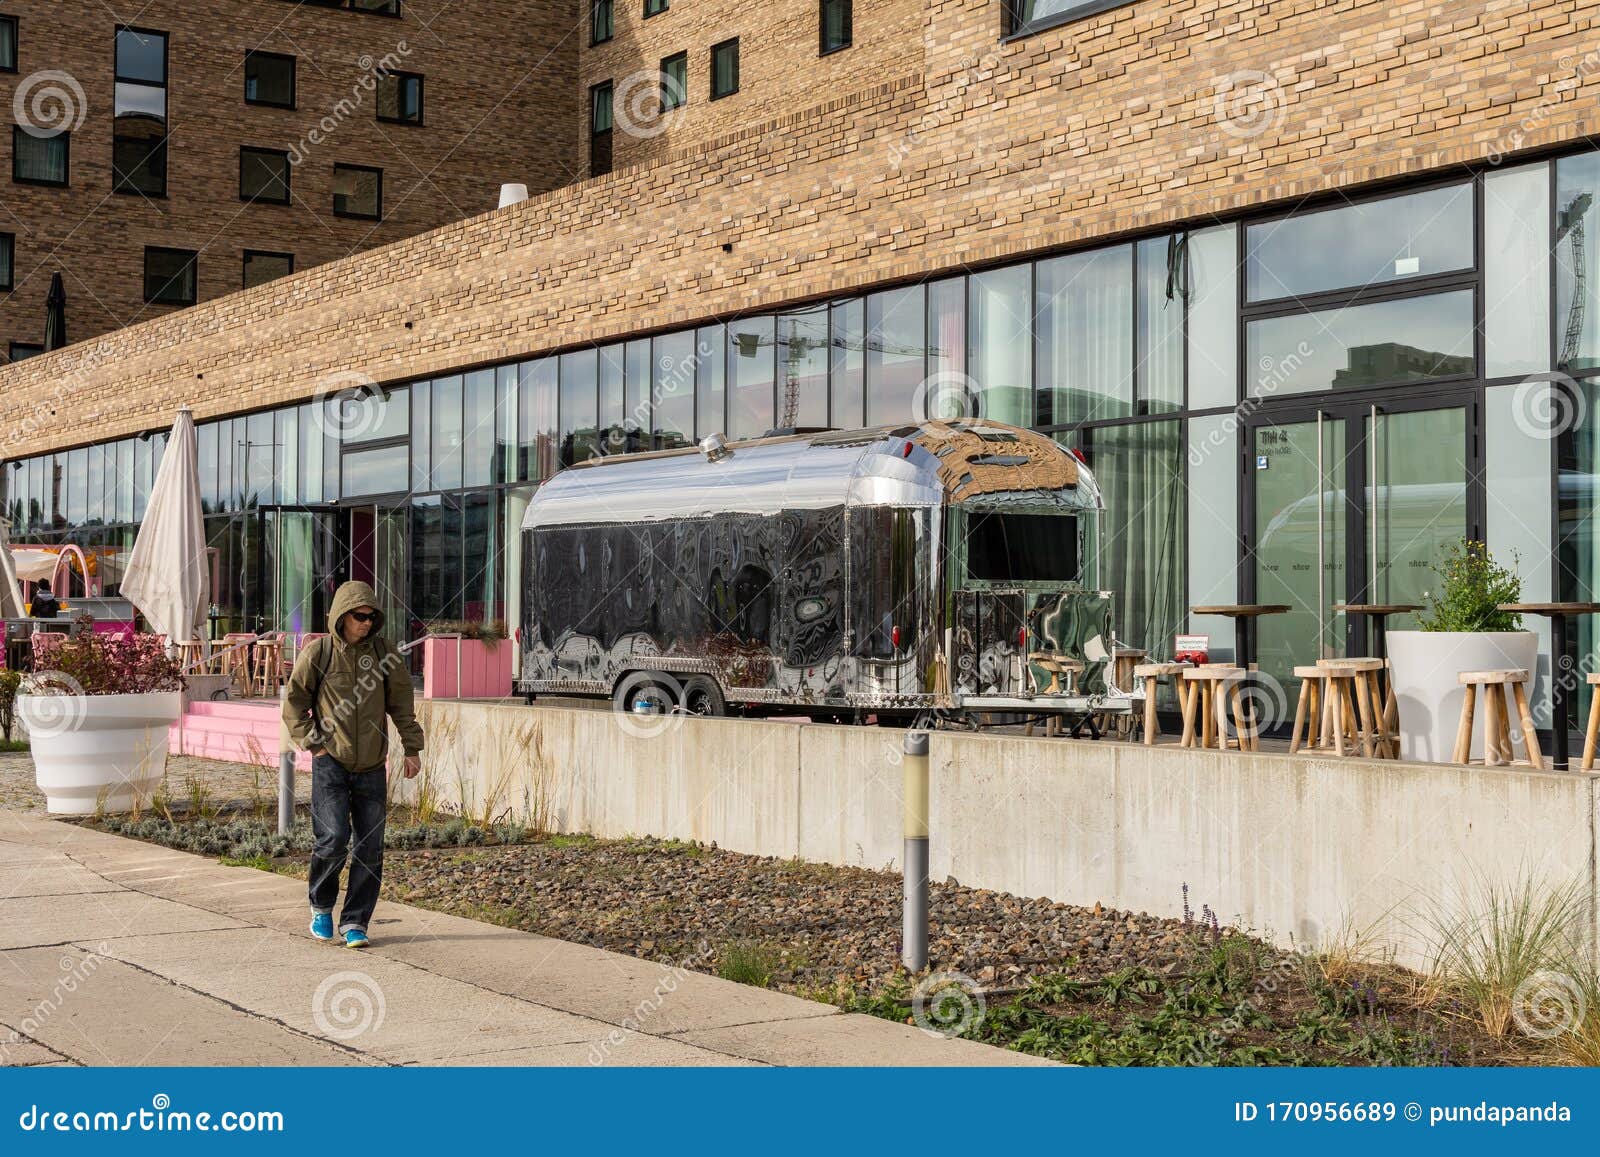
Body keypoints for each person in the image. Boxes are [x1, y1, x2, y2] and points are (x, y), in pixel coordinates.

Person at [282, 581, 424, 949]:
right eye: (360, 616)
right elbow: (295, 703)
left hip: (373, 765)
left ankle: (356, 921)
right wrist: (315, 745)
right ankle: (321, 905)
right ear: (342, 616)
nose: (366, 623)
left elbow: (401, 705)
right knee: (332, 839)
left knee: (370, 846)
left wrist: (412, 748)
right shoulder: (319, 653)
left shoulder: (384, 654)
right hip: (331, 762)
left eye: (372, 617)